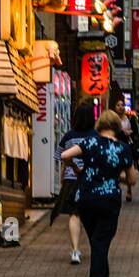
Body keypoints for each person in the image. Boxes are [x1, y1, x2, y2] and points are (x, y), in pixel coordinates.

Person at [60, 109, 137, 277]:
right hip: (109, 199)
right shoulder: (122, 148)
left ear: (99, 125)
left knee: (97, 241)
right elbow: (133, 180)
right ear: (117, 127)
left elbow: (65, 154)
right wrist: (118, 176)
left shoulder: (89, 142)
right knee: (101, 241)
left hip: (86, 198)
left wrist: (77, 169)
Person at [52, 103, 96, 264]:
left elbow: (60, 157)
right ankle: (95, 249)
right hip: (91, 180)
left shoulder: (68, 136)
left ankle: (75, 251)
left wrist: (65, 174)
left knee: (74, 214)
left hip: (71, 180)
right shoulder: (96, 136)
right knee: (91, 215)